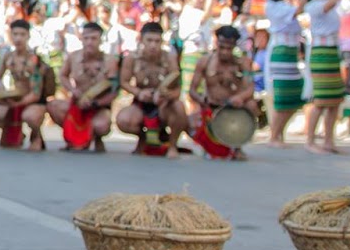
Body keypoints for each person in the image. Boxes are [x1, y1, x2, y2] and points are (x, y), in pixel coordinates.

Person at [116, 21, 186, 155]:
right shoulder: (132, 57)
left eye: (157, 41)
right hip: (142, 102)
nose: (153, 45)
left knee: (179, 108)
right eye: (149, 40)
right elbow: (124, 82)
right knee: (124, 120)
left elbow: (178, 88)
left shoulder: (170, 58)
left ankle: (172, 145)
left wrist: (166, 95)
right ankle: (143, 138)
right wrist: (139, 93)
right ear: (141, 39)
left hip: (164, 104)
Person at [188, 24, 256, 160]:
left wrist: (239, 97)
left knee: (252, 105)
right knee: (187, 121)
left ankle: (237, 146)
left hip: (233, 109)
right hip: (211, 108)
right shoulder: (205, 61)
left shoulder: (242, 63)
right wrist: (201, 99)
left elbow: (250, 88)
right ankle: (210, 145)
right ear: (216, 43)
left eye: (229, 48)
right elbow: (192, 90)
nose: (225, 52)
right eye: (222, 47)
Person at [48, 20, 118, 151]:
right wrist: (72, 90)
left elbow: (114, 90)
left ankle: (96, 137)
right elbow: (63, 75)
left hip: (98, 105)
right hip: (78, 102)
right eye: (86, 38)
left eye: (94, 38)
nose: (90, 42)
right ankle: (73, 138)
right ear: (81, 39)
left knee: (101, 125)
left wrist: (96, 103)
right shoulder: (73, 57)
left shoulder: (110, 61)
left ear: (100, 40)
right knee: (53, 106)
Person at [0, 18, 50, 150]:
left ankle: (36, 135)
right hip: (15, 97)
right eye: (15, 34)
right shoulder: (8, 56)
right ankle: (16, 132)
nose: (18, 38)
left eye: (22, 34)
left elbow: (35, 94)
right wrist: (2, 90)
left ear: (28, 36)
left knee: (30, 117)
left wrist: (16, 104)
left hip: (32, 101)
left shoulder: (34, 60)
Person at [302, 0, 346, 155]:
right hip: (321, 53)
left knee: (334, 100)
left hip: (331, 51)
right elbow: (332, 1)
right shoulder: (313, 6)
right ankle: (310, 139)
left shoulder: (325, 6)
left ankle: (329, 139)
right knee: (320, 100)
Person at [263, 0, 305, 145]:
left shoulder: (282, 5)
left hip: (290, 51)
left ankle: (279, 133)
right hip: (281, 52)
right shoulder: (273, 7)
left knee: (295, 95)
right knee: (283, 97)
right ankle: (275, 135)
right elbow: (299, 10)